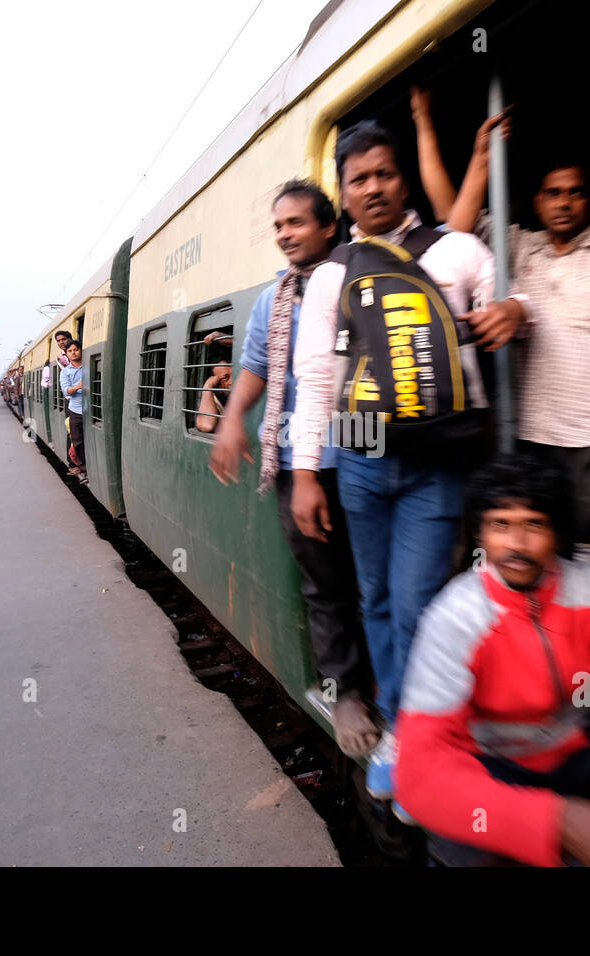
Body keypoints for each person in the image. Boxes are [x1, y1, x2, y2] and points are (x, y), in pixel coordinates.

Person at [289, 120, 531, 799]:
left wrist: (517, 308)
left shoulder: (456, 250)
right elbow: (315, 381)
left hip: (438, 458)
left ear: (404, 180)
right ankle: (400, 723)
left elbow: (506, 300)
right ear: (343, 192)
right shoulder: (330, 274)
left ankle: (430, 730)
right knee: (378, 597)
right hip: (361, 457)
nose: (373, 188)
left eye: (384, 174)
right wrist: (308, 473)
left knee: (420, 600)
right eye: (358, 179)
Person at [394, 455, 590, 866]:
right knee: (457, 828)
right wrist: (555, 821)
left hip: (580, 756)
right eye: (500, 525)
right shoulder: (454, 618)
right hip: (498, 768)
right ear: (479, 533)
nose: (517, 545)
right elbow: (416, 774)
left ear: (556, 532)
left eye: (535, 524)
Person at [413, 91, 590, 545]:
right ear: (537, 202)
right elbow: (451, 217)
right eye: (554, 193)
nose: (564, 203)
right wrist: (460, 143)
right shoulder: (519, 247)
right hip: (532, 432)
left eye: (575, 193)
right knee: (539, 548)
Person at [210, 179, 377, 756]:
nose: (285, 235)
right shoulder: (273, 299)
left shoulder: (360, 282)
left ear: (329, 227)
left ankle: (400, 694)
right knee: (324, 584)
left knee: (375, 582)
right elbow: (256, 364)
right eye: (279, 226)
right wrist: (234, 419)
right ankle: (349, 690)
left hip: (361, 458)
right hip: (293, 465)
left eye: (297, 223)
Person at [60, 341, 87, 483]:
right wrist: (78, 387)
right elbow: (66, 390)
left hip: (90, 408)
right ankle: (83, 467)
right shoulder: (65, 372)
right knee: (77, 441)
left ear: (80, 351)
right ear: (67, 354)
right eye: (70, 351)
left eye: (76, 349)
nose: (73, 352)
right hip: (75, 410)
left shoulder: (88, 366)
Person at [193, 345, 232, 434]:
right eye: (225, 378)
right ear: (217, 383)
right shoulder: (215, 399)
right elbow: (206, 425)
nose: (232, 381)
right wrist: (208, 386)